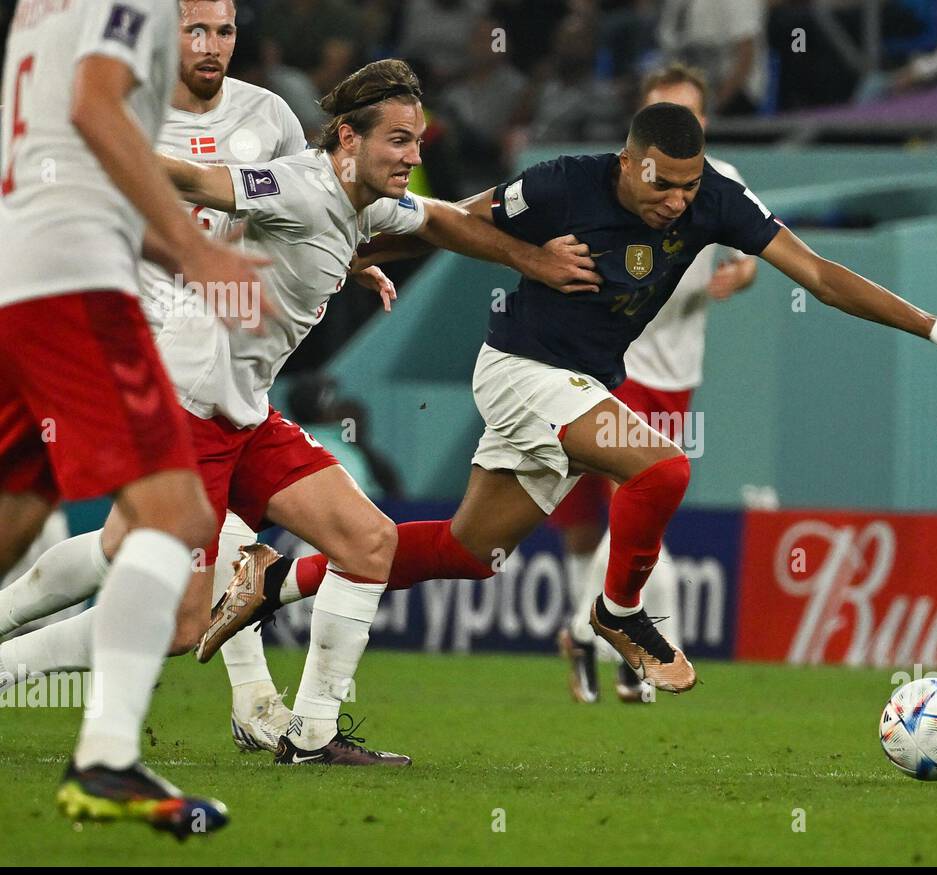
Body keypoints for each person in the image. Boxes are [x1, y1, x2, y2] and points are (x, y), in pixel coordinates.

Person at [203, 101, 937, 695]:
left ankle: (278, 578)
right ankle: (617, 613)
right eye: (665, 185)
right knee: (663, 471)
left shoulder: (714, 199)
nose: (679, 203)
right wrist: (349, 246)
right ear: (631, 162)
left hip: (576, 386)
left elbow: (816, 274)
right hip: (519, 367)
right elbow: (459, 219)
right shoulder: (565, 183)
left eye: (689, 187)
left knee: (467, 553)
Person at [0, 58, 599, 767]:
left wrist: (528, 259)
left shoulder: (364, 206)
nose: (414, 155)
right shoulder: (298, 185)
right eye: (398, 141)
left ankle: (312, 734)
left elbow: (442, 222)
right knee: (180, 620)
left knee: (367, 543)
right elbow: (199, 182)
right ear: (348, 138)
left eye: (416, 140)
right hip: (186, 408)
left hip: (242, 412)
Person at [0, 0, 308, 756]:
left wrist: (349, 255)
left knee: (120, 535)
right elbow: (91, 114)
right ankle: (233, 711)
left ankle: (100, 734)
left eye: (225, 29)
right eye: (195, 28)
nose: (210, 45)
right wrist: (194, 255)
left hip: (145, 330)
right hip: (117, 328)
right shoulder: (123, 70)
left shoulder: (267, 114)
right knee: (186, 521)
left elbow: (307, 206)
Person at [553, 63, 759, 705]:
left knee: (619, 520)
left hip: (676, 374)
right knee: (625, 513)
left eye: (689, 114)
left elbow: (752, 252)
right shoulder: (612, 182)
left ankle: (586, 638)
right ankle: (629, 645)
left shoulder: (722, 183)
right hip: (615, 366)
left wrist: (741, 275)